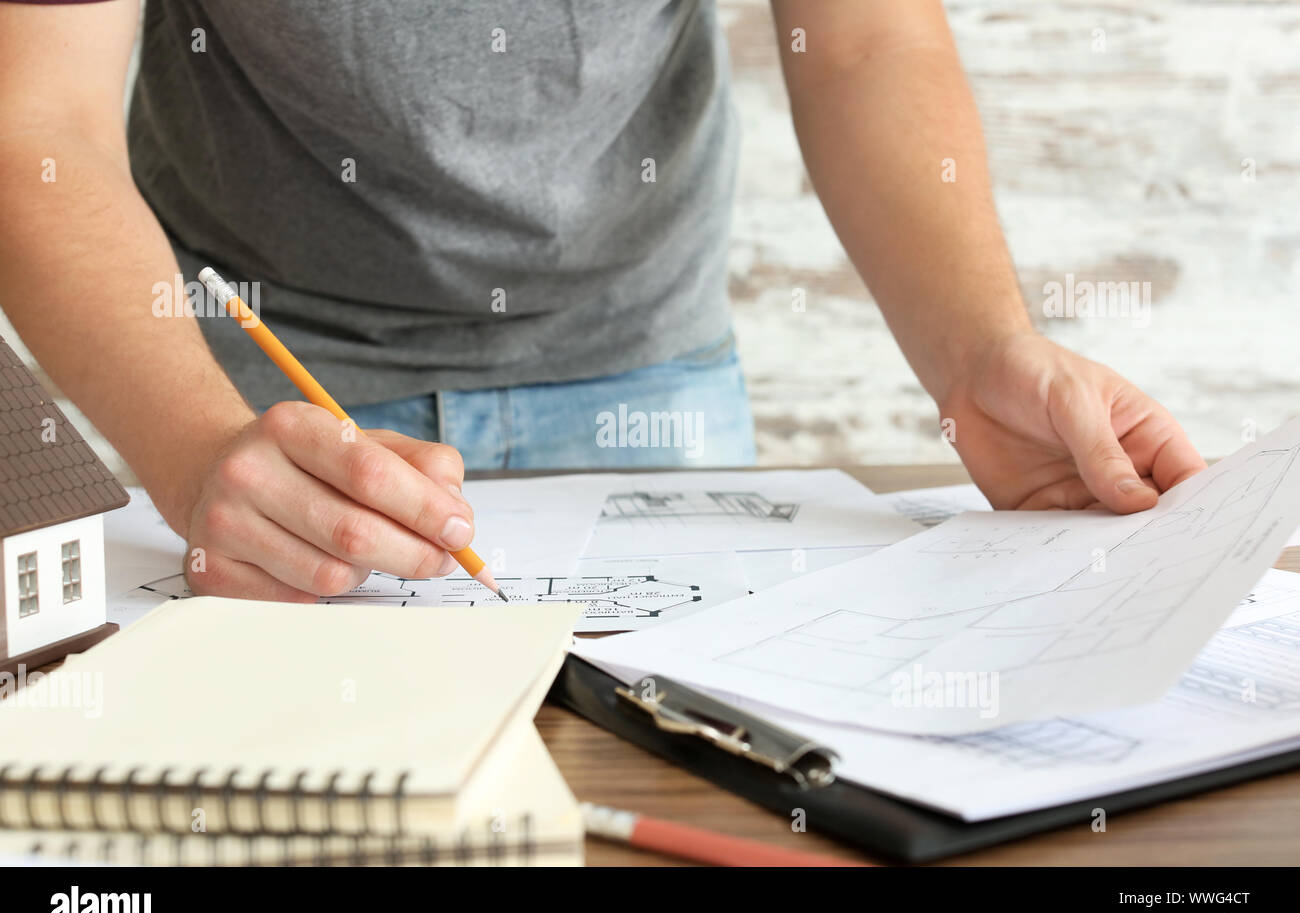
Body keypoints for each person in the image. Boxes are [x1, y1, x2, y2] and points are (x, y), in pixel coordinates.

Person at [0, 0, 1205, 603]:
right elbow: (32, 117)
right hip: (256, 393)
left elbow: (858, 38)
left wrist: (979, 346)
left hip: (645, 365)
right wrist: (193, 446)